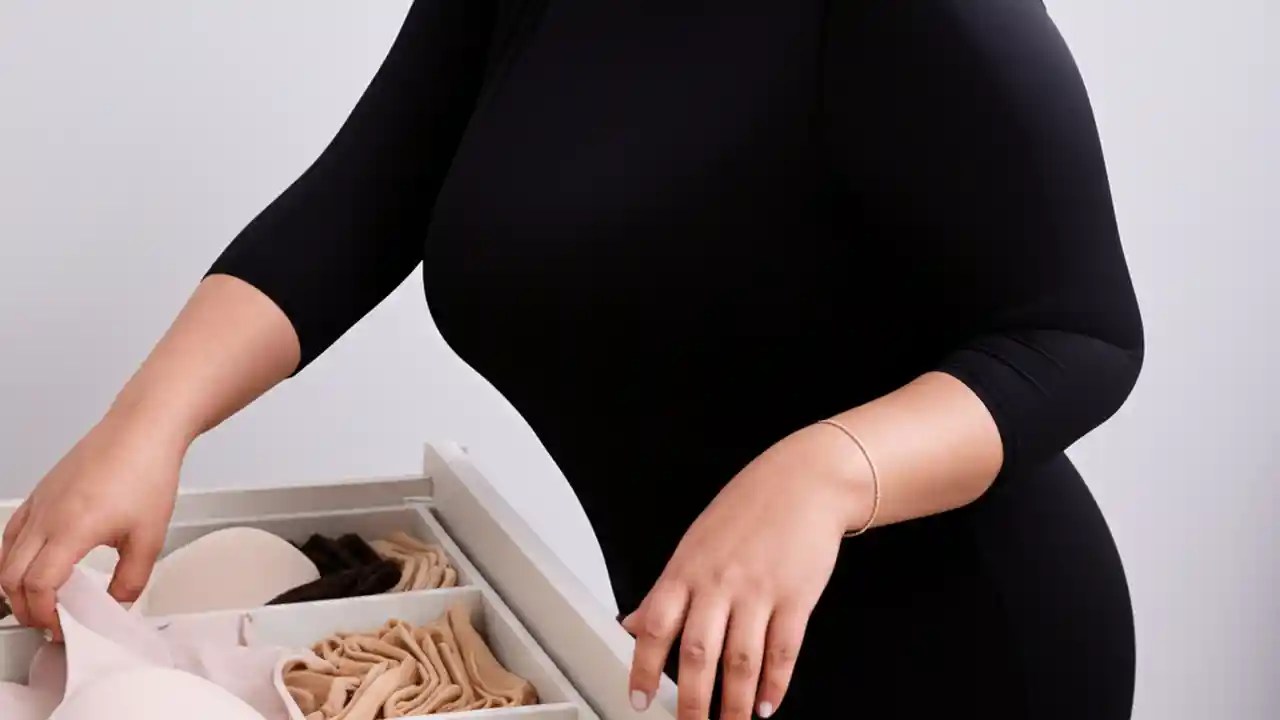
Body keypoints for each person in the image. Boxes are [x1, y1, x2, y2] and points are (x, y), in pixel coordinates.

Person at [0, 1, 1144, 717]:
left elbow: (1077, 333)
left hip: (963, 654)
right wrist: (149, 421)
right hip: (681, 653)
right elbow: (362, 203)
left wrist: (825, 471)